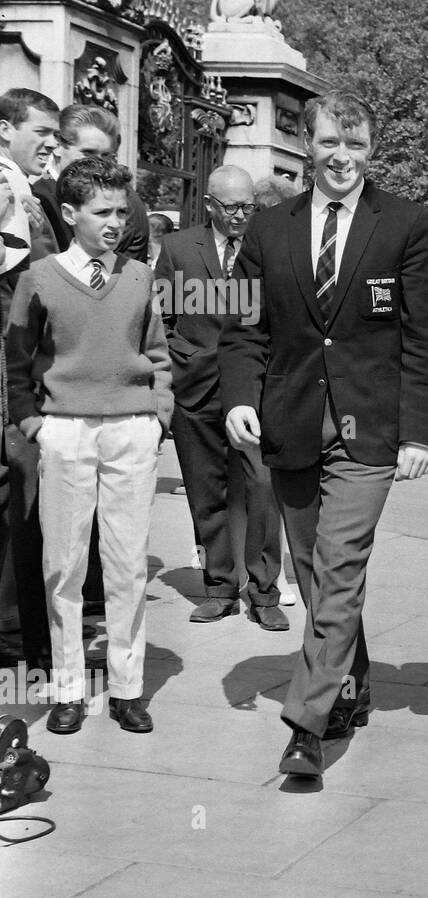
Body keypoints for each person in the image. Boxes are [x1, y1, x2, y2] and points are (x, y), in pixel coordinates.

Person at [222, 90, 428, 780]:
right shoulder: (268, 230)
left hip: (368, 431)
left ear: (370, 151)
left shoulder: (404, 224)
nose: (342, 158)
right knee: (316, 571)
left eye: (355, 145)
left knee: (339, 562)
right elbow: (242, 328)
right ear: (306, 148)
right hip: (290, 425)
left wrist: (421, 433)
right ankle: (352, 683)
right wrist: (237, 399)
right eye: (328, 143)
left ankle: (307, 724)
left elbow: (425, 336)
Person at [5, 157, 172, 734]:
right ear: (70, 213)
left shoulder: (140, 277)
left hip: (131, 430)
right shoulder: (40, 277)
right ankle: (69, 688)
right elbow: (17, 358)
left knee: (127, 565)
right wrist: (33, 425)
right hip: (66, 432)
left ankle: (128, 687)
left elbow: (157, 353)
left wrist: (159, 417)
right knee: (64, 564)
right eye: (103, 212)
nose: (116, 222)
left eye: (123, 212)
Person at [158, 165, 286, 631]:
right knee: (206, 493)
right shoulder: (177, 249)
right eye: (230, 207)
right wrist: (182, 360)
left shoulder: (270, 244)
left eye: (247, 206)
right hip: (196, 390)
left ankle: (265, 591)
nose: (239, 216)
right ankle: (219, 588)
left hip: (256, 389)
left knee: (262, 489)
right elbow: (162, 321)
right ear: (210, 204)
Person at [0, 88, 62, 671]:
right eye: (40, 131)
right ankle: (15, 634)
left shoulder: (25, 188)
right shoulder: (6, 187)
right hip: (10, 365)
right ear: (5, 130)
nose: (51, 143)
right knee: (20, 492)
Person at [34, 105, 150, 263]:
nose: (97, 163)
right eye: (88, 153)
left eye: (106, 155)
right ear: (58, 147)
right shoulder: (39, 197)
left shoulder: (121, 199)